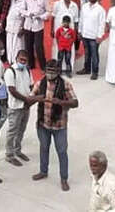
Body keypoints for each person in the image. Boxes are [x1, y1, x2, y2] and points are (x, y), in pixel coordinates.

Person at [31, 59, 78, 191]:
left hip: (59, 125)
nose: (50, 74)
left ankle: (64, 178)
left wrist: (62, 102)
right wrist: (37, 98)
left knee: (62, 152)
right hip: (43, 124)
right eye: (48, 71)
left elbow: (75, 103)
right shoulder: (40, 83)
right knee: (44, 148)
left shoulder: (66, 84)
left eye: (53, 71)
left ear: (58, 72)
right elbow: (30, 97)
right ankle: (43, 171)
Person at [3, 50, 36, 166]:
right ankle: (9, 155)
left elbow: (31, 85)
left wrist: (31, 97)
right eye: (21, 59)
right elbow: (12, 90)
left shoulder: (27, 70)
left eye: (25, 61)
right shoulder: (10, 71)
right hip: (15, 106)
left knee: (21, 129)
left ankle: (17, 150)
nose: (23, 62)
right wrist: (26, 99)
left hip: (26, 106)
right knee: (12, 131)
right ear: (16, 58)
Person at [78, 0, 107, 79]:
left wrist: (99, 36)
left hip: (94, 36)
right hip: (85, 34)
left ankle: (95, 72)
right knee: (87, 53)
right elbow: (81, 19)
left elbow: (102, 24)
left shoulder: (100, 10)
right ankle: (87, 69)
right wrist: (80, 31)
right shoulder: (84, 7)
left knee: (94, 54)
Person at [21, 0, 48, 70]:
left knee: (38, 47)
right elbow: (22, 10)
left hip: (38, 26)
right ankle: (31, 64)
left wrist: (40, 17)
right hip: (28, 25)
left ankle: (43, 66)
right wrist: (28, 14)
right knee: (28, 46)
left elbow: (47, 12)